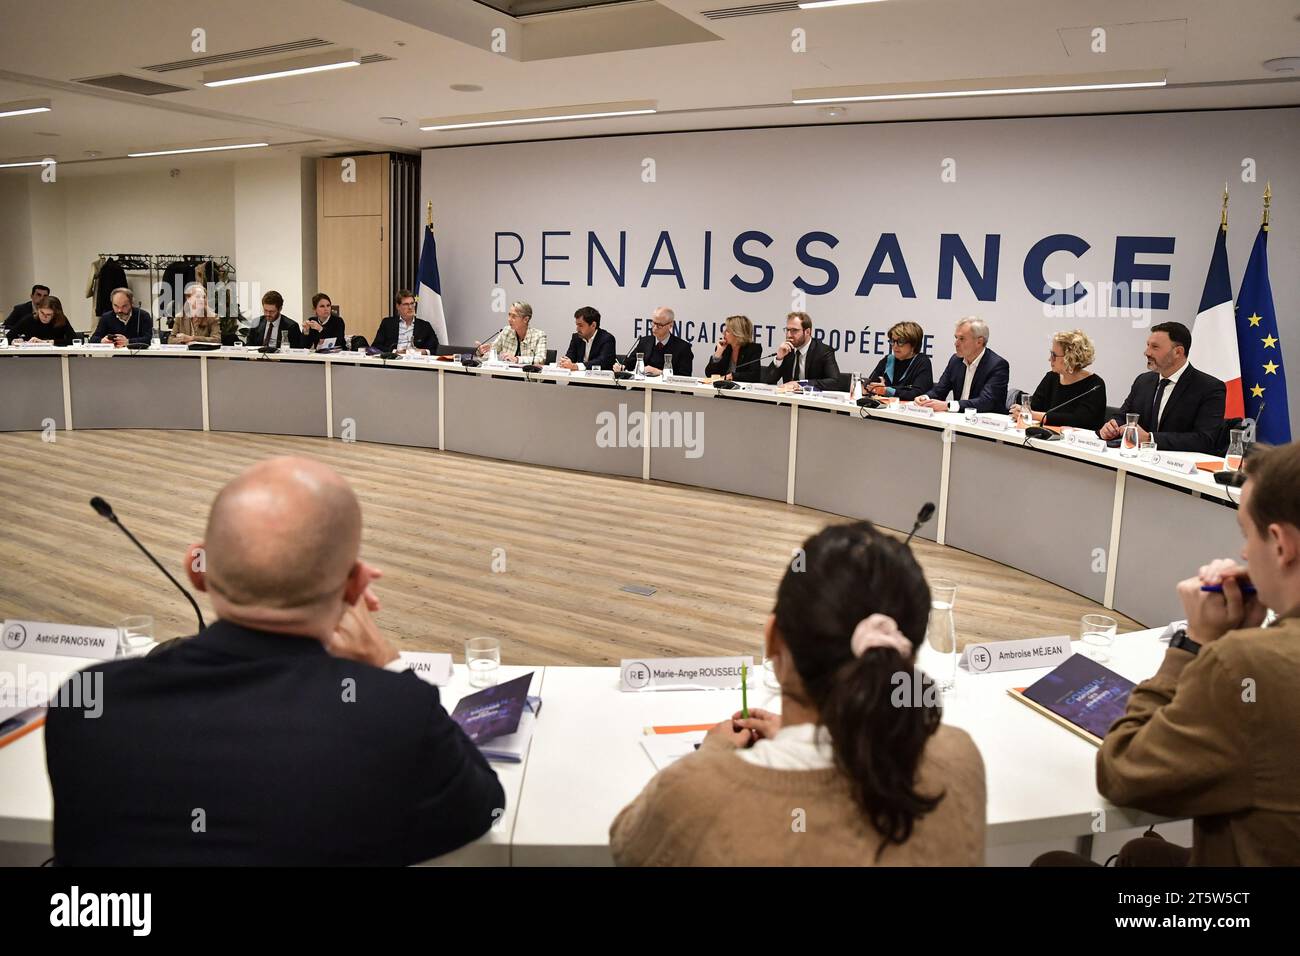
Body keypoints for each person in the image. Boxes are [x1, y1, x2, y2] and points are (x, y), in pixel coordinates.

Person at [45, 456, 505, 865]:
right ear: (355, 587)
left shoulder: (86, 703)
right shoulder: (392, 714)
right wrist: (388, 665)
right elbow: (483, 805)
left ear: (196, 571)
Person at [610, 521, 986, 866]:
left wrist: (713, 756)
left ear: (773, 639)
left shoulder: (693, 797)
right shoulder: (960, 759)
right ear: (906, 651)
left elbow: (627, 843)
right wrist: (811, 739)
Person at [1036, 440, 1300, 867]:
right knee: (1143, 853)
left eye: (1246, 534)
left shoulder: (1248, 665)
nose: (1245, 554)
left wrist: (1194, 645)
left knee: (1054, 864)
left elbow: (1123, 771)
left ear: (1281, 544)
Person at [1098, 322, 1226, 454]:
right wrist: (1110, 427)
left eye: (1155, 347)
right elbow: (1123, 416)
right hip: (1137, 460)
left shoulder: (1210, 388)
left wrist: (1150, 438)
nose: (1146, 352)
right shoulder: (1143, 380)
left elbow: (1204, 440)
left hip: (1177, 467)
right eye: (1148, 345)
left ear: (1178, 352)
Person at [1010, 329, 1107, 429]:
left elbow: (1079, 420)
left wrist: (1033, 415)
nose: (1049, 359)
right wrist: (1021, 412)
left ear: (1070, 358)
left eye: (1054, 355)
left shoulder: (1095, 385)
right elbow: (1034, 407)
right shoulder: (1051, 377)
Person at [917, 317, 1009, 413]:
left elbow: (985, 402)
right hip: (959, 421)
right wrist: (925, 398)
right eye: (956, 338)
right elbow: (939, 390)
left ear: (979, 342)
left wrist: (948, 405)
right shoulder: (956, 360)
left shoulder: (997, 365)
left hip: (986, 423)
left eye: (962, 339)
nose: (956, 343)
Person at [762, 311, 840, 392]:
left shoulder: (823, 351)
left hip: (811, 402)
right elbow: (768, 380)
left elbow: (835, 382)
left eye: (794, 330)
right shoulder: (787, 349)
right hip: (787, 401)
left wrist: (801, 384)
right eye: (787, 330)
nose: (789, 335)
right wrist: (779, 358)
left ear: (807, 332)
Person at [613, 306, 694, 377]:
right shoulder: (644, 342)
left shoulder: (683, 348)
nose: (654, 328)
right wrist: (622, 367)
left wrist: (660, 373)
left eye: (659, 325)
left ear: (670, 325)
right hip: (642, 388)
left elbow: (685, 376)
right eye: (653, 323)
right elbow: (629, 363)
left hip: (667, 391)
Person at [865, 321, 934, 401]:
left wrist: (887, 390)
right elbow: (869, 385)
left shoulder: (922, 362)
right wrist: (875, 387)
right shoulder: (888, 360)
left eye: (900, 342)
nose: (895, 346)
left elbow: (918, 393)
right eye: (892, 341)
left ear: (913, 344)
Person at [476, 301, 545, 362]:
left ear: (526, 319)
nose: (509, 319)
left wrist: (517, 359)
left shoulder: (539, 335)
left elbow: (541, 360)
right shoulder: (506, 331)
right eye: (509, 315)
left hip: (527, 376)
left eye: (514, 316)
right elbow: (490, 354)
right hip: (506, 375)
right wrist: (482, 352)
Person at [373, 290, 437, 354]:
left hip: (416, 361)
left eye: (412, 303)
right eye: (406, 304)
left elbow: (435, 348)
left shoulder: (425, 326)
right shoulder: (387, 323)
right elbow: (376, 346)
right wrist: (395, 352)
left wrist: (424, 351)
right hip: (394, 360)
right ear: (398, 306)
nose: (410, 307)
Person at [705, 315, 763, 383]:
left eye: (728, 331)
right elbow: (709, 374)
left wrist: (733, 376)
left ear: (738, 334)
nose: (723, 333)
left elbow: (754, 376)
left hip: (742, 391)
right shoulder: (724, 348)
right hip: (722, 391)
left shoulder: (753, 349)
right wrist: (717, 355)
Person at [89, 287, 153, 348]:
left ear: (131, 303)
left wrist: (128, 341)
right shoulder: (106, 317)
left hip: (141, 356)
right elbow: (93, 339)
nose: (120, 310)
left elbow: (148, 339)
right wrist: (102, 341)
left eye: (124, 306)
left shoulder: (143, 316)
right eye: (116, 306)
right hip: (117, 356)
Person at [559, 306, 617, 371]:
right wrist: (565, 361)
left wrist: (577, 366)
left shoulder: (607, 339)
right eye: (576, 325)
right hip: (578, 379)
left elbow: (602, 361)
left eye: (580, 325)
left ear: (593, 325)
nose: (577, 329)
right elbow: (570, 357)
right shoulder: (576, 337)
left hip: (597, 379)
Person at [5, 294, 74, 346]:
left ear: (55, 314)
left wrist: (47, 342)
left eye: (48, 314)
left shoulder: (61, 319)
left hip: (55, 357)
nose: (44, 317)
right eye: (42, 312)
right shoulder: (29, 319)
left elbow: (74, 340)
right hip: (31, 357)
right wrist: (17, 341)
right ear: (38, 310)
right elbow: (7, 338)